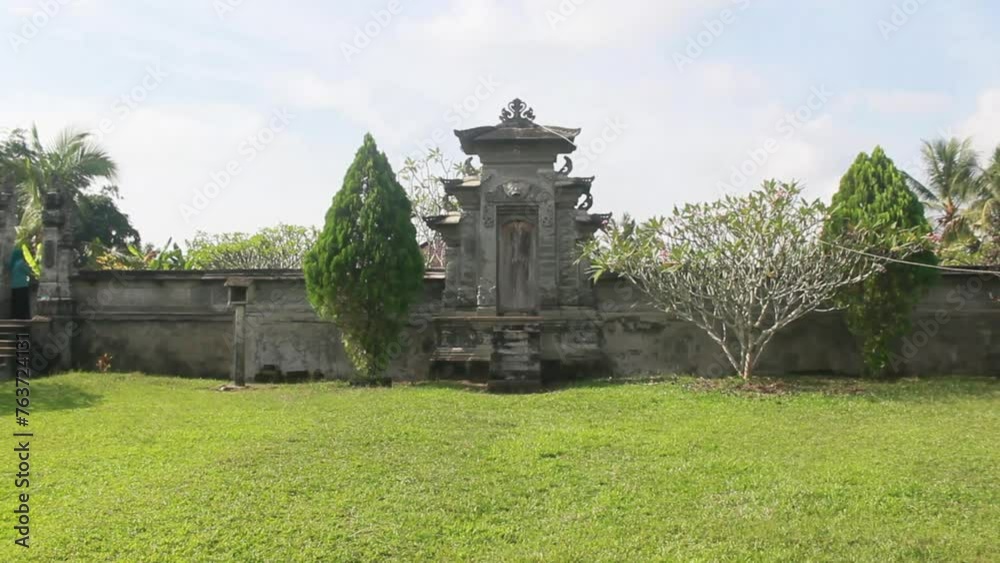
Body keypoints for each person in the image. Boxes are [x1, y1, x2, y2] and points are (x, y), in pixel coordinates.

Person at [9, 247, 32, 320]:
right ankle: (23, 320)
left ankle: (15, 318)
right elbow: (28, 272)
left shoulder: (13, 264)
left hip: (14, 287)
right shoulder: (21, 263)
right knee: (23, 305)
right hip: (22, 286)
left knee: (16, 305)